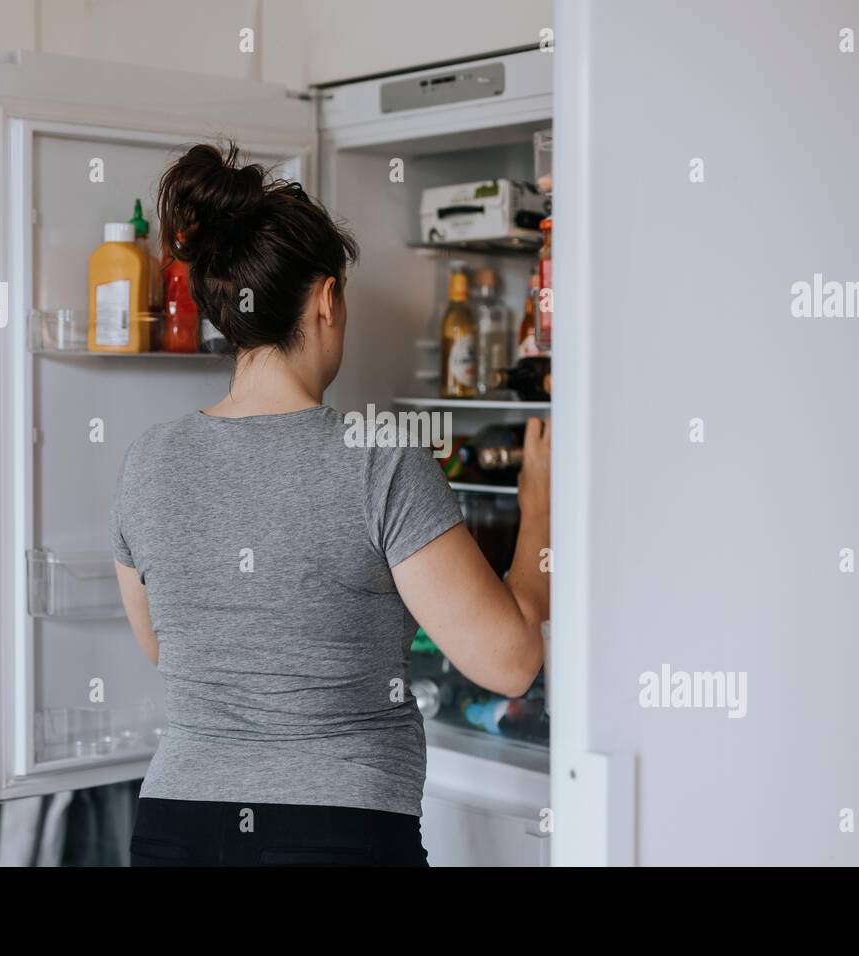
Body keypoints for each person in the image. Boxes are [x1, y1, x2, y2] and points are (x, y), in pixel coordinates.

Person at [111, 143, 550, 866]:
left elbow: (168, 647)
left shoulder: (147, 461)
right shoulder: (379, 458)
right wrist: (539, 512)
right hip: (335, 831)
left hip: (176, 829)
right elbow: (510, 664)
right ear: (325, 299)